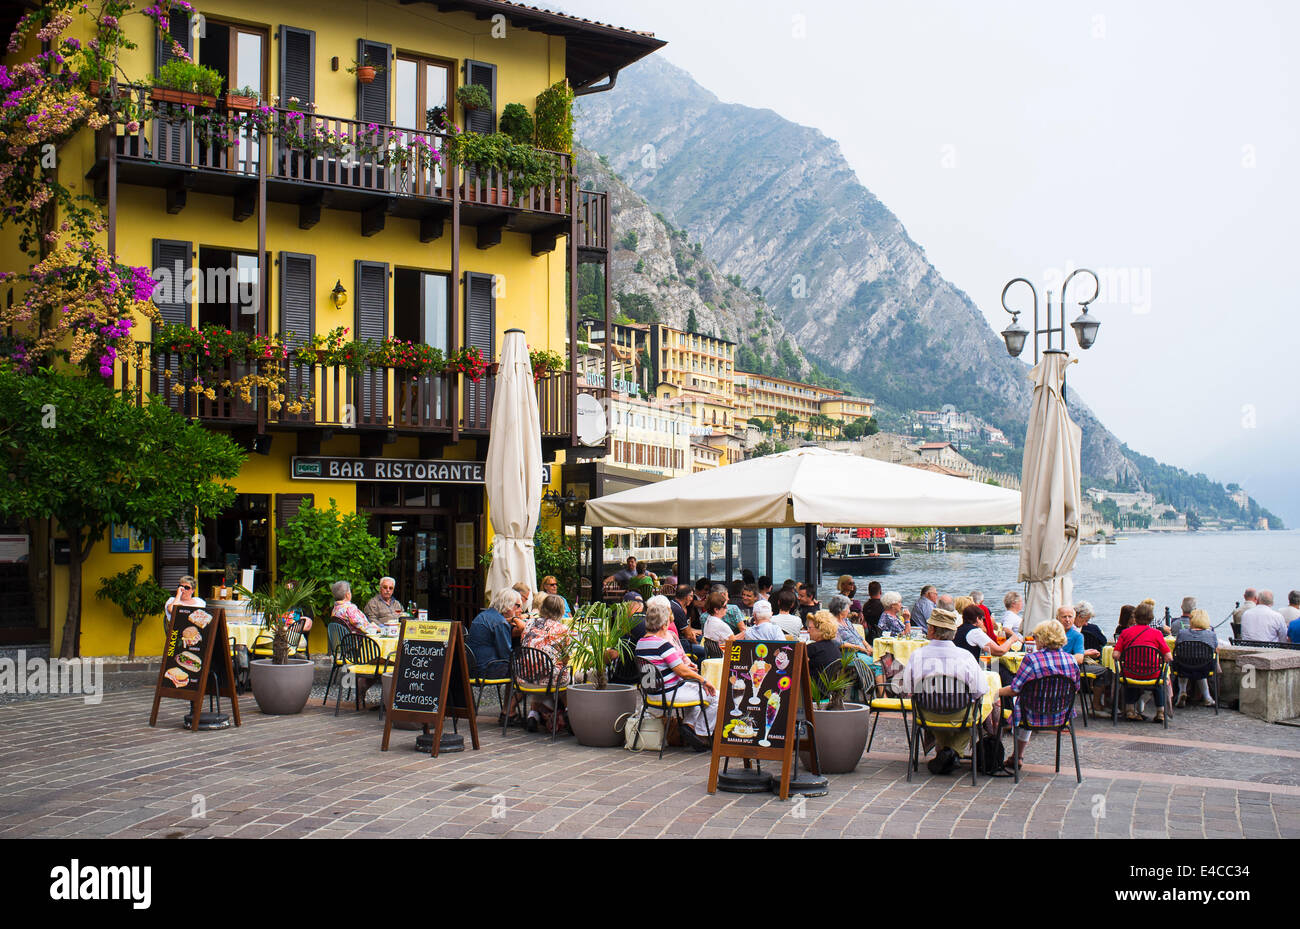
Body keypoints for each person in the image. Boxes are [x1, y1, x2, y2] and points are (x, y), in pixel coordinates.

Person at [898, 607, 989, 775]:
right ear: (953, 633)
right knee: (976, 713)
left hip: (927, 715)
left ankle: (944, 753)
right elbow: (980, 690)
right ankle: (952, 752)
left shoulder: (917, 655)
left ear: (932, 630)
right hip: (960, 715)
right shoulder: (965, 657)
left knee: (939, 708)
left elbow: (907, 688)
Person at [997, 619, 1080, 773]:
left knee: (1023, 702)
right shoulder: (1071, 660)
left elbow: (1015, 689)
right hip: (1061, 715)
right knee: (1027, 701)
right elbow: (1075, 688)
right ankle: (1018, 756)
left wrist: (995, 692)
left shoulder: (1032, 659)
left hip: (1031, 715)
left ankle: (1009, 754)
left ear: (1042, 638)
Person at [635, 598, 718, 751]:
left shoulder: (641, 643)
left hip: (650, 694)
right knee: (715, 696)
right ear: (664, 624)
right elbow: (682, 671)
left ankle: (689, 726)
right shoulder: (663, 645)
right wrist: (704, 681)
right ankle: (700, 734)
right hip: (669, 694)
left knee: (696, 690)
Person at [519, 594, 574, 731]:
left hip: (524, 677)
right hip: (548, 680)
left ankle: (533, 715)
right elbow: (567, 657)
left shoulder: (528, 624)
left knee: (537, 667)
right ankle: (568, 711)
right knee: (567, 674)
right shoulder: (562, 629)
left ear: (542, 608)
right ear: (561, 610)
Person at [1113, 602, 1173, 722]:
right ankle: (1161, 712)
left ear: (1135, 617)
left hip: (1130, 674)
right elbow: (1169, 657)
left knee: (1130, 675)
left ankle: (1129, 710)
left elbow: (1115, 655)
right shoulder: (1157, 634)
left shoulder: (1125, 633)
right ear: (1151, 618)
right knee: (1160, 681)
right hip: (1152, 674)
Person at [954, 604, 1021, 680]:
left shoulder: (957, 630)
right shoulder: (975, 632)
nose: (983, 622)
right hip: (973, 670)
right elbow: (1000, 651)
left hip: (959, 668)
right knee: (1004, 671)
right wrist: (1012, 639)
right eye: (983, 619)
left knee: (997, 666)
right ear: (978, 619)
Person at [1172, 609, 1220, 708]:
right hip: (1204, 668)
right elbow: (1215, 649)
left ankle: (1182, 691)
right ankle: (1207, 698)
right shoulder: (1211, 635)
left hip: (1183, 667)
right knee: (1199, 664)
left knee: (1183, 663)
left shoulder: (1182, 633)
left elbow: (1177, 647)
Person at [466, 588, 523, 670]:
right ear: (508, 605)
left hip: (474, 667)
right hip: (489, 668)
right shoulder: (500, 622)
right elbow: (506, 655)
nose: (520, 610)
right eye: (517, 606)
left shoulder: (483, 615)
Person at [806, 610, 845, 682]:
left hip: (812, 689)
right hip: (828, 688)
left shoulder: (813, 648)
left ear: (820, 629)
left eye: (810, 628)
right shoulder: (834, 647)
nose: (808, 631)